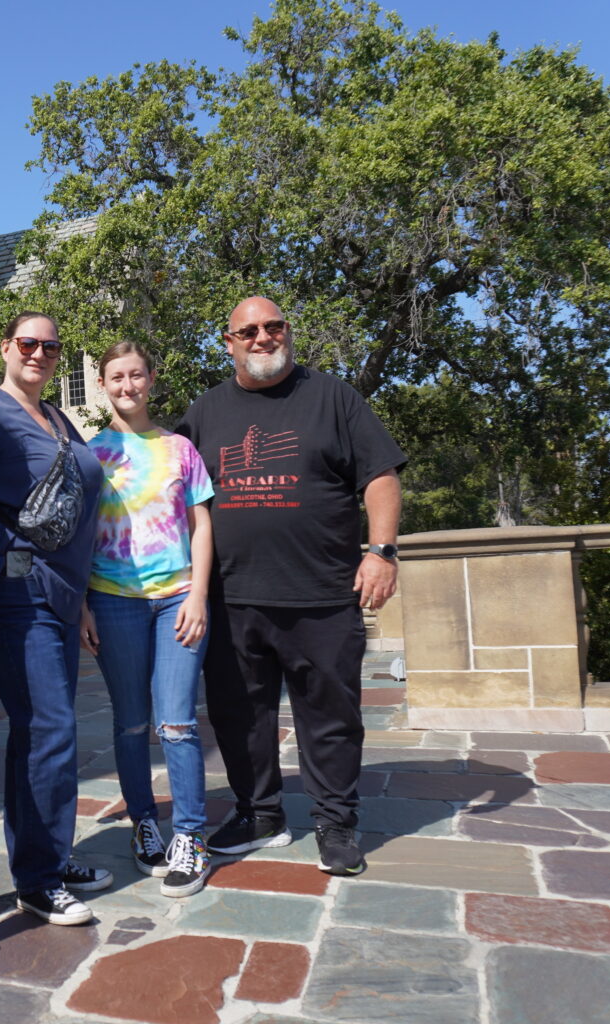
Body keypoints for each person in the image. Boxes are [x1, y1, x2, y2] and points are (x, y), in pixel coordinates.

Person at [175, 296, 404, 877]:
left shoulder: (333, 397)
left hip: (321, 595)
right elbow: (170, 489)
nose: (262, 337)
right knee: (239, 716)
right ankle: (259, 814)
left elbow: (379, 474)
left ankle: (335, 822)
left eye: (272, 326)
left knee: (330, 714)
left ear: (287, 332)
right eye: (247, 330)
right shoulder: (204, 412)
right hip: (231, 597)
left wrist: (381, 551)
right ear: (228, 342)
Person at [0, 311, 111, 927]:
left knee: (48, 732)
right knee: (48, 727)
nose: (39, 353)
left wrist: (86, 598)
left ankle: (49, 855)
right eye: (28, 343)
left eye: (50, 345)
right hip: (15, 594)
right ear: (5, 349)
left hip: (64, 596)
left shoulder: (59, 418)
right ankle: (38, 882)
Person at [79, 342, 215, 898]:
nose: (127, 386)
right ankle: (145, 823)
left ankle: (190, 836)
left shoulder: (181, 449)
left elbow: (201, 525)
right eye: (116, 377)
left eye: (136, 375)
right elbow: (79, 535)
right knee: (132, 722)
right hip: (114, 602)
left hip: (177, 600)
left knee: (177, 723)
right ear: (105, 384)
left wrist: (199, 595)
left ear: (151, 379)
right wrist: (83, 604)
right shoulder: (91, 454)